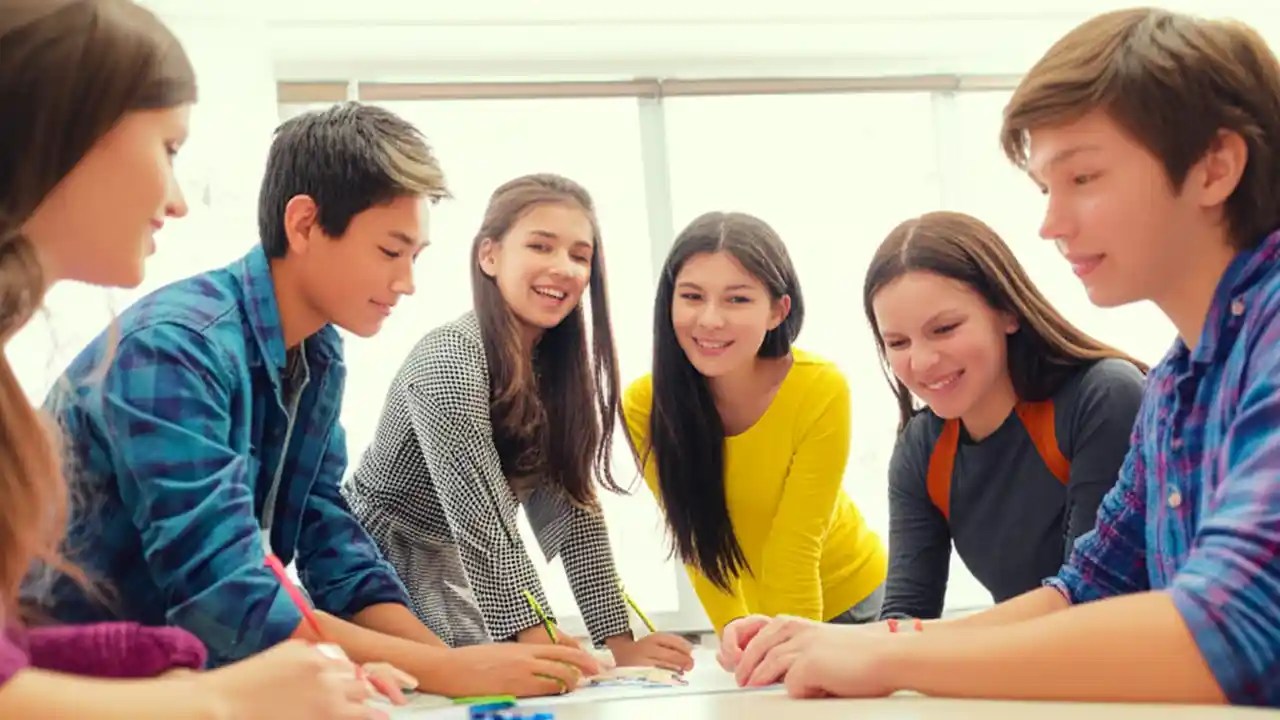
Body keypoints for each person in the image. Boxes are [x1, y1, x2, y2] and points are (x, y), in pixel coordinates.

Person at [727, 8, 1280, 707]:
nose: (1051, 224)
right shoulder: (1176, 381)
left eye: (1082, 178)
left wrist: (892, 662)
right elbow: (1085, 590)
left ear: (1214, 167)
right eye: (1047, 189)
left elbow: (1234, 630)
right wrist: (859, 643)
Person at [32, 102, 597, 697]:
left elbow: (333, 545)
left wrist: (458, 669)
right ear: (304, 224)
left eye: (415, 257)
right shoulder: (174, 350)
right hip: (72, 684)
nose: (405, 282)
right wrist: (450, 669)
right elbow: (224, 592)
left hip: (185, 678)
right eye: (389, 252)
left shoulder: (317, 356)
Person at [0, 2, 384, 717]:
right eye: (169, 150)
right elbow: (221, 579)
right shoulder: (174, 343)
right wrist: (217, 701)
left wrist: (167, 675)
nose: (177, 203)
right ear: (70, 130)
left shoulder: (320, 363)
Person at [343, 174, 695, 673]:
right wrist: (544, 638)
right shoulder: (450, 359)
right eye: (540, 246)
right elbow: (483, 524)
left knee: (526, 673)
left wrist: (620, 642)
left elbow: (573, 512)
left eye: (580, 255)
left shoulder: (553, 370)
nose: (563, 268)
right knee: (486, 680)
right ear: (489, 255)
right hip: (374, 559)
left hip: (446, 565)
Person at [623, 211, 889, 649]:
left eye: (737, 299)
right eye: (691, 296)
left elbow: (794, 548)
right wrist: (733, 631)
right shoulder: (645, 405)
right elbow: (696, 540)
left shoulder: (819, 387)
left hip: (857, 602)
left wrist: (789, 652)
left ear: (777, 312)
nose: (709, 319)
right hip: (761, 619)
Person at [865, 210, 1145, 620]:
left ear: (1008, 312)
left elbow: (1084, 608)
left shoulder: (1103, 398)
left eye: (944, 329)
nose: (921, 362)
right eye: (897, 342)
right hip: (1035, 674)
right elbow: (905, 617)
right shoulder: (920, 448)